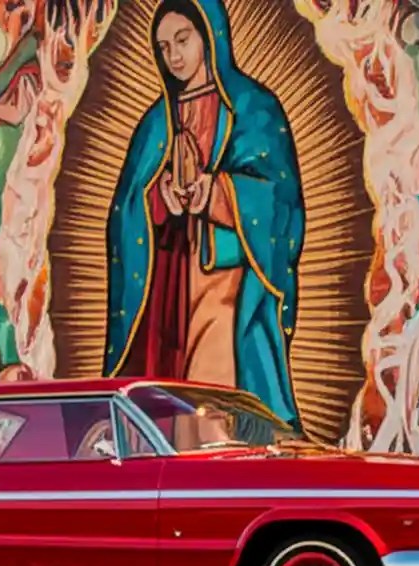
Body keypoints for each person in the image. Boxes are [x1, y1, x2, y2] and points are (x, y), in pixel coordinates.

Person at [103, 0, 304, 428]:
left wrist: (215, 192)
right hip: (168, 277)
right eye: (162, 47)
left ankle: (216, 479)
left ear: (211, 36)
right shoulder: (156, 122)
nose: (173, 56)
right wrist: (160, 198)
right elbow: (126, 207)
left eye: (182, 40)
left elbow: (280, 198)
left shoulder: (253, 109)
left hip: (224, 278)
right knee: (169, 390)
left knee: (215, 387)